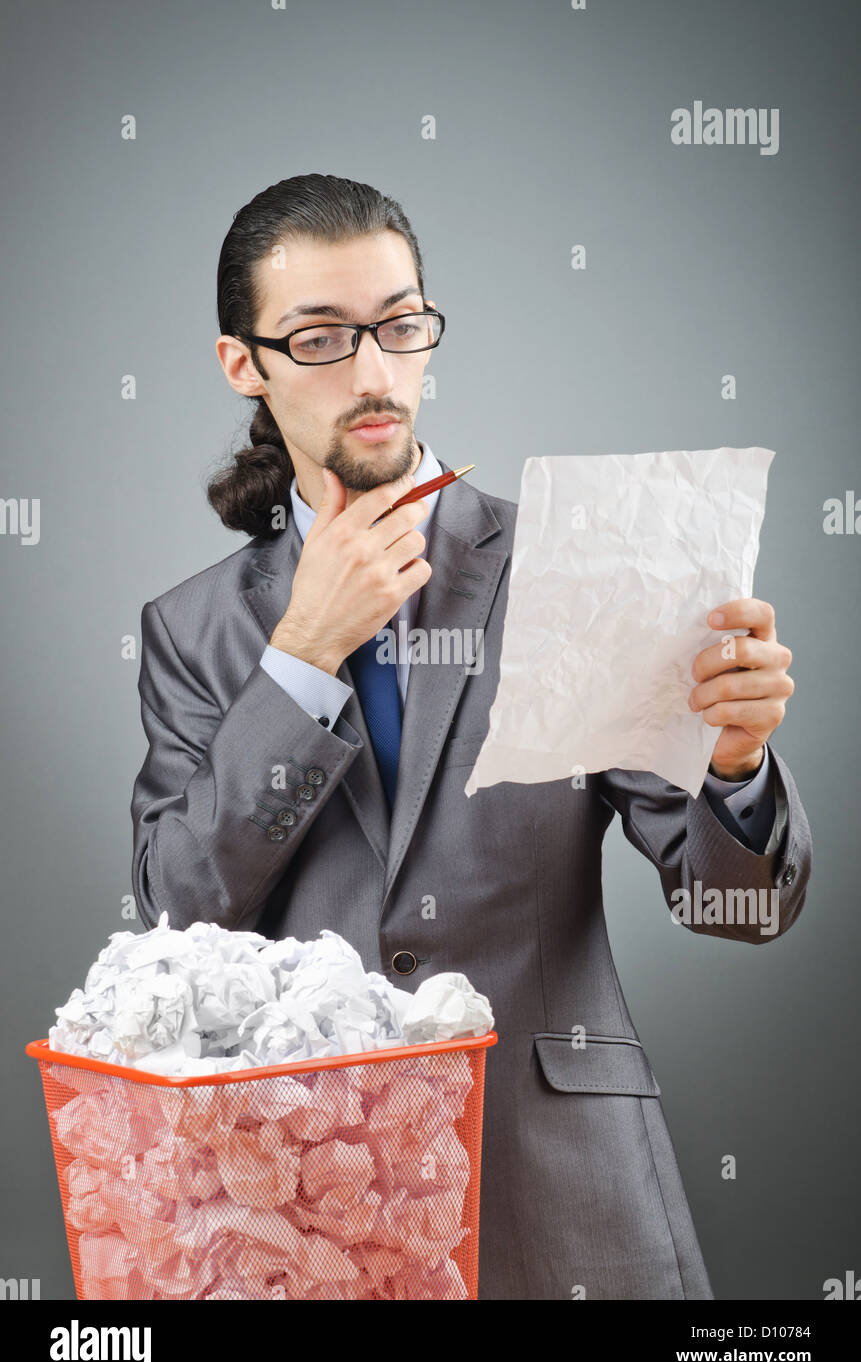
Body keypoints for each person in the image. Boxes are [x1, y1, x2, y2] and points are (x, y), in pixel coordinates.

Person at [131, 173, 812, 1300]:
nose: (373, 374)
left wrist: (733, 767)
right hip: (304, 1207)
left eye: (400, 327)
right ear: (241, 363)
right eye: (321, 339)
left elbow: (736, 906)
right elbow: (175, 917)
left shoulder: (573, 562)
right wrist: (299, 659)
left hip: (565, 1202)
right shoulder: (191, 630)